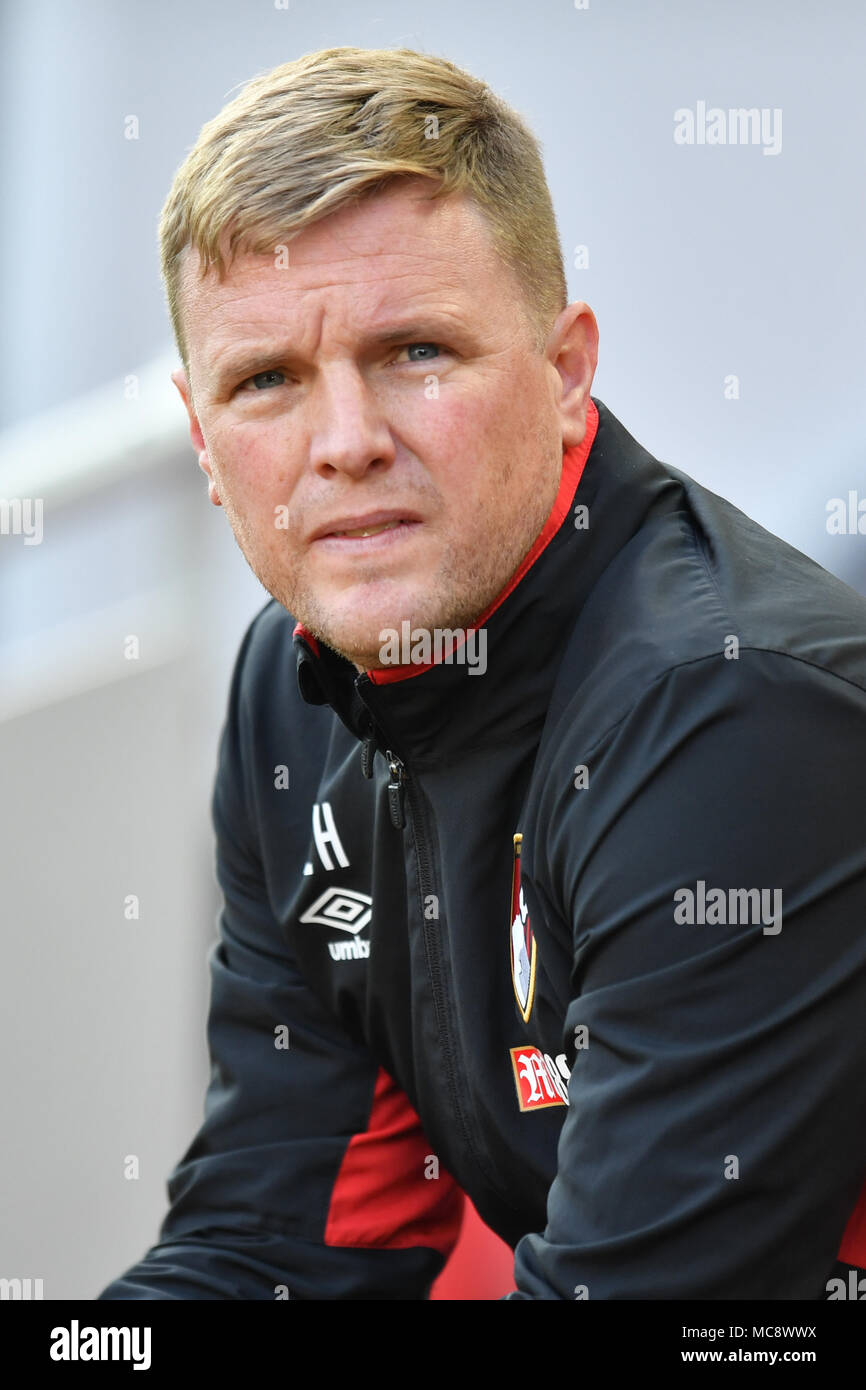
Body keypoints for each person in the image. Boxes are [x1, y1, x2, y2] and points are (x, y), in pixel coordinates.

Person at [98, 45, 866, 1300]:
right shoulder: (290, 686)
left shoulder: (726, 709)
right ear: (200, 435)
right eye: (267, 381)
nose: (343, 444)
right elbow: (282, 1242)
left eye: (414, 353)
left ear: (565, 374)